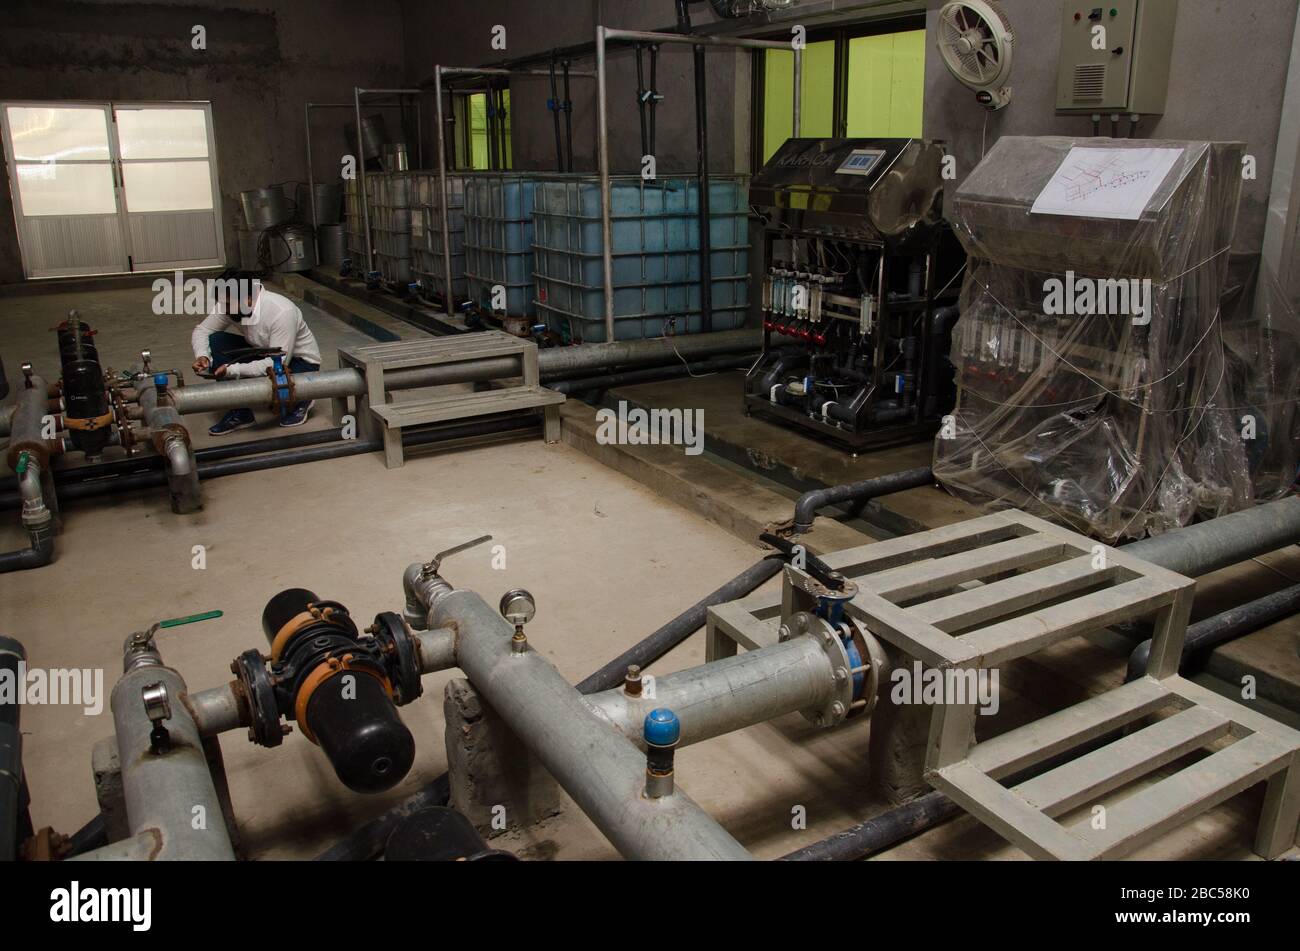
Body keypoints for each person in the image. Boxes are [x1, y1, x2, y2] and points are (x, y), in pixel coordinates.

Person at [191, 269, 323, 434]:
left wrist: (231, 370)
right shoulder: (231, 304)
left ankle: (304, 398)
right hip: (262, 351)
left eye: (226, 304)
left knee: (288, 388)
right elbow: (202, 330)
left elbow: (278, 363)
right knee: (216, 340)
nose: (223, 309)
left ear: (247, 298)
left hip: (298, 363)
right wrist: (202, 355)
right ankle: (240, 411)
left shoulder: (281, 311)